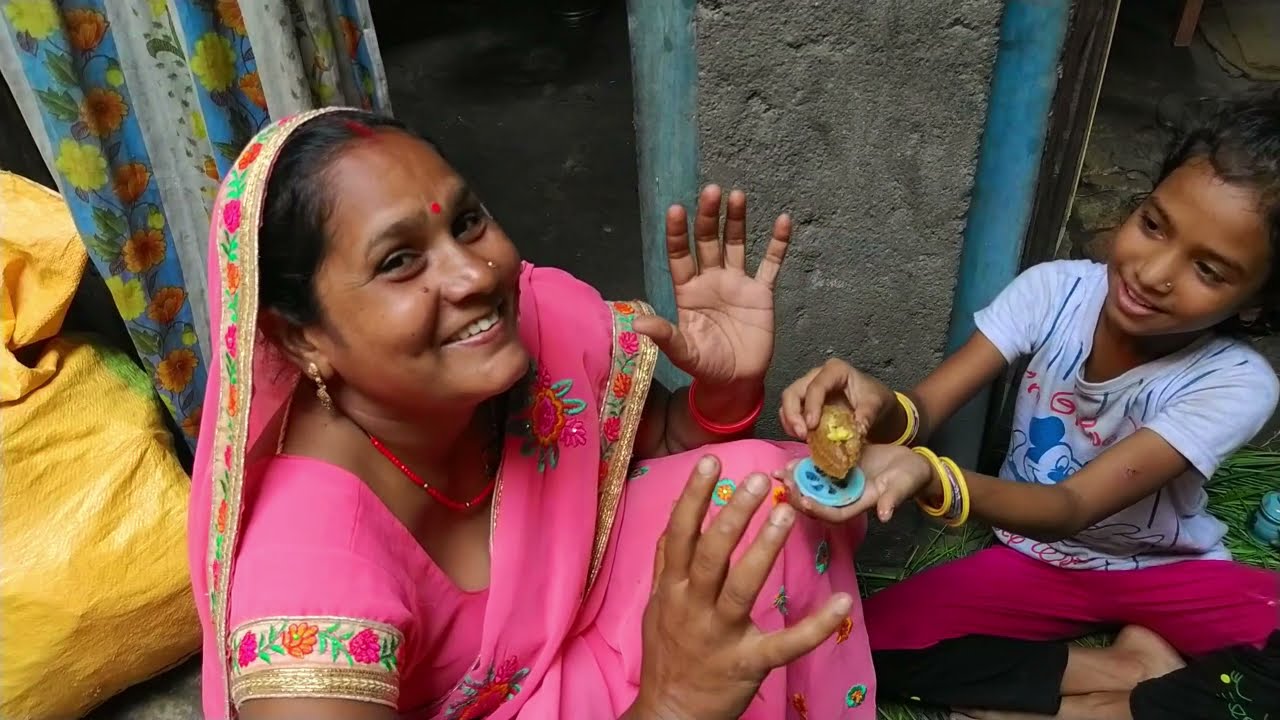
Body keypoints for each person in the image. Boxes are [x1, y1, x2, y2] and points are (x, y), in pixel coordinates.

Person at [188, 108, 874, 720]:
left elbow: (654, 442)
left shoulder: (539, 323)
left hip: (594, 639)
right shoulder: (306, 579)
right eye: (399, 262)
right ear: (301, 338)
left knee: (757, 491)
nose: (476, 275)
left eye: (466, 223)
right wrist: (670, 706)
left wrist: (725, 389)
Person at [775, 90, 1280, 720]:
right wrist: (877, 404)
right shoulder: (1053, 291)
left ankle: (1104, 709)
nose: (1154, 273)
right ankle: (1120, 668)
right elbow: (924, 409)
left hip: (1169, 571)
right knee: (858, 645)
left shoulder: (1236, 381)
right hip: (1037, 562)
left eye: (1208, 270)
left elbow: (1072, 506)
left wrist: (931, 475)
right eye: (1154, 225)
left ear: (1255, 303)